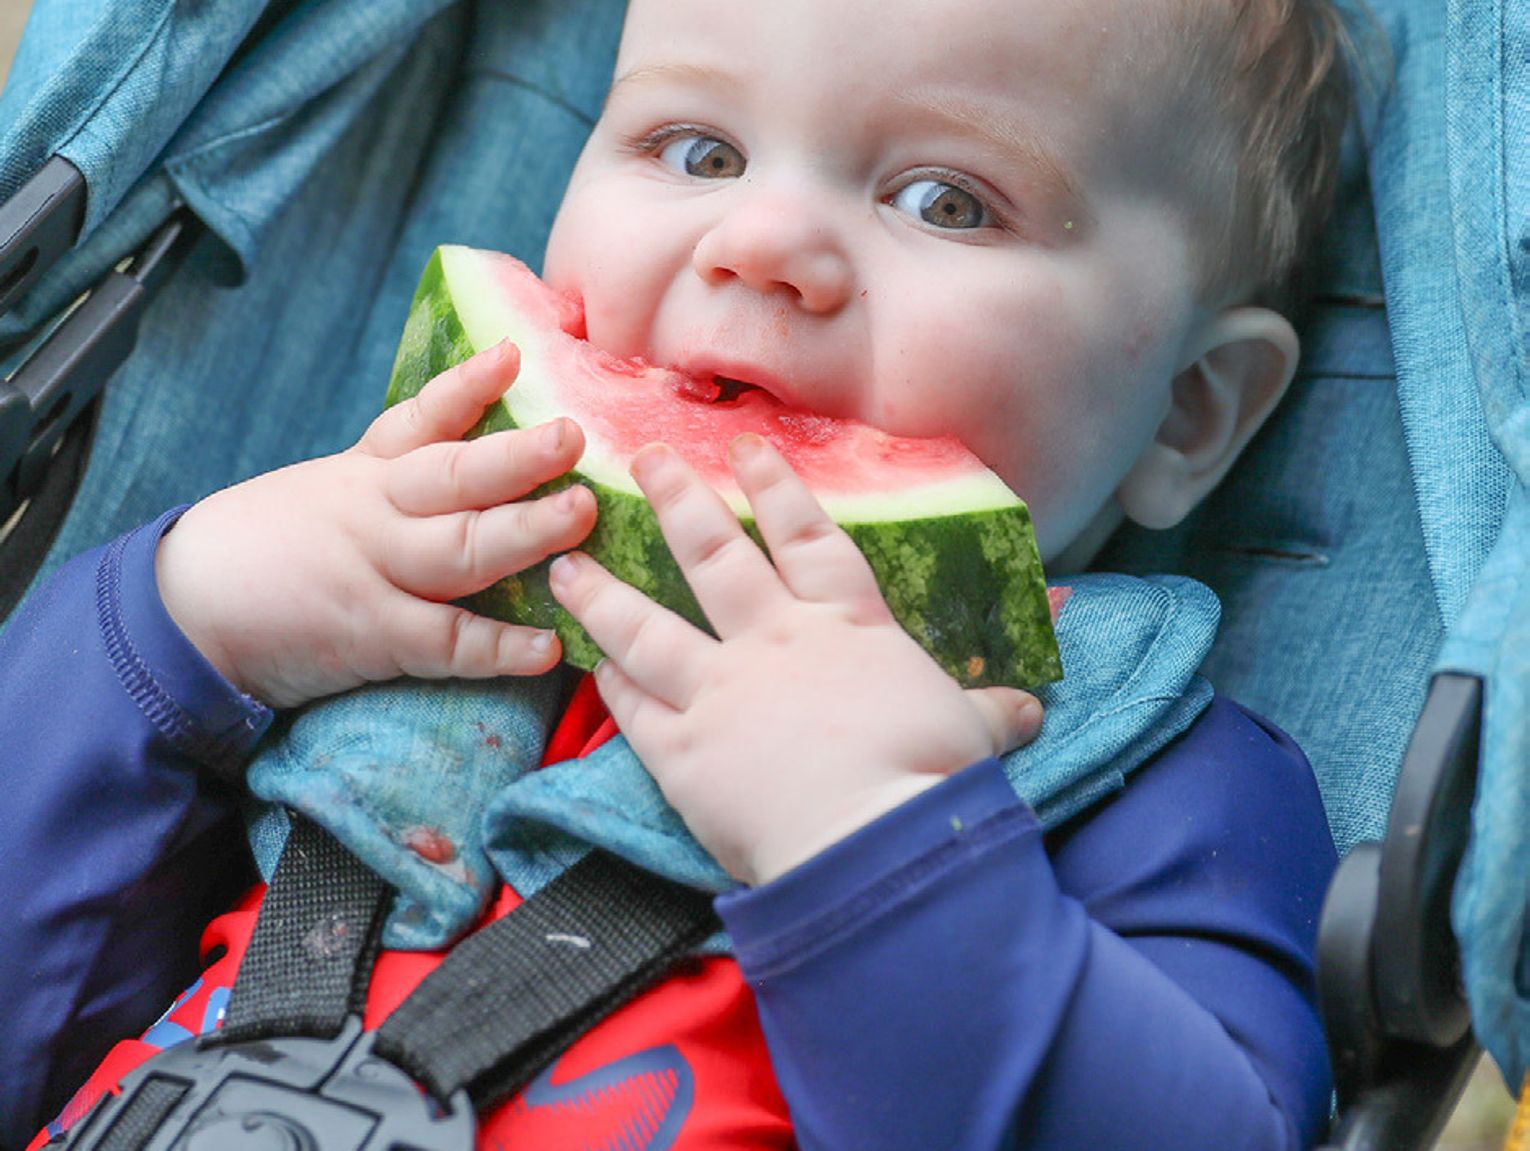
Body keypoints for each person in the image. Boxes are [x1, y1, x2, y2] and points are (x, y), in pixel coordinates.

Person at [0, 0, 1356, 1145]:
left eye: (948, 202)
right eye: (695, 148)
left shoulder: (1159, 773)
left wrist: (882, 847)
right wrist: (171, 630)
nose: (760, 244)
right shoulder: (372, 586)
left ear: (1188, 410)